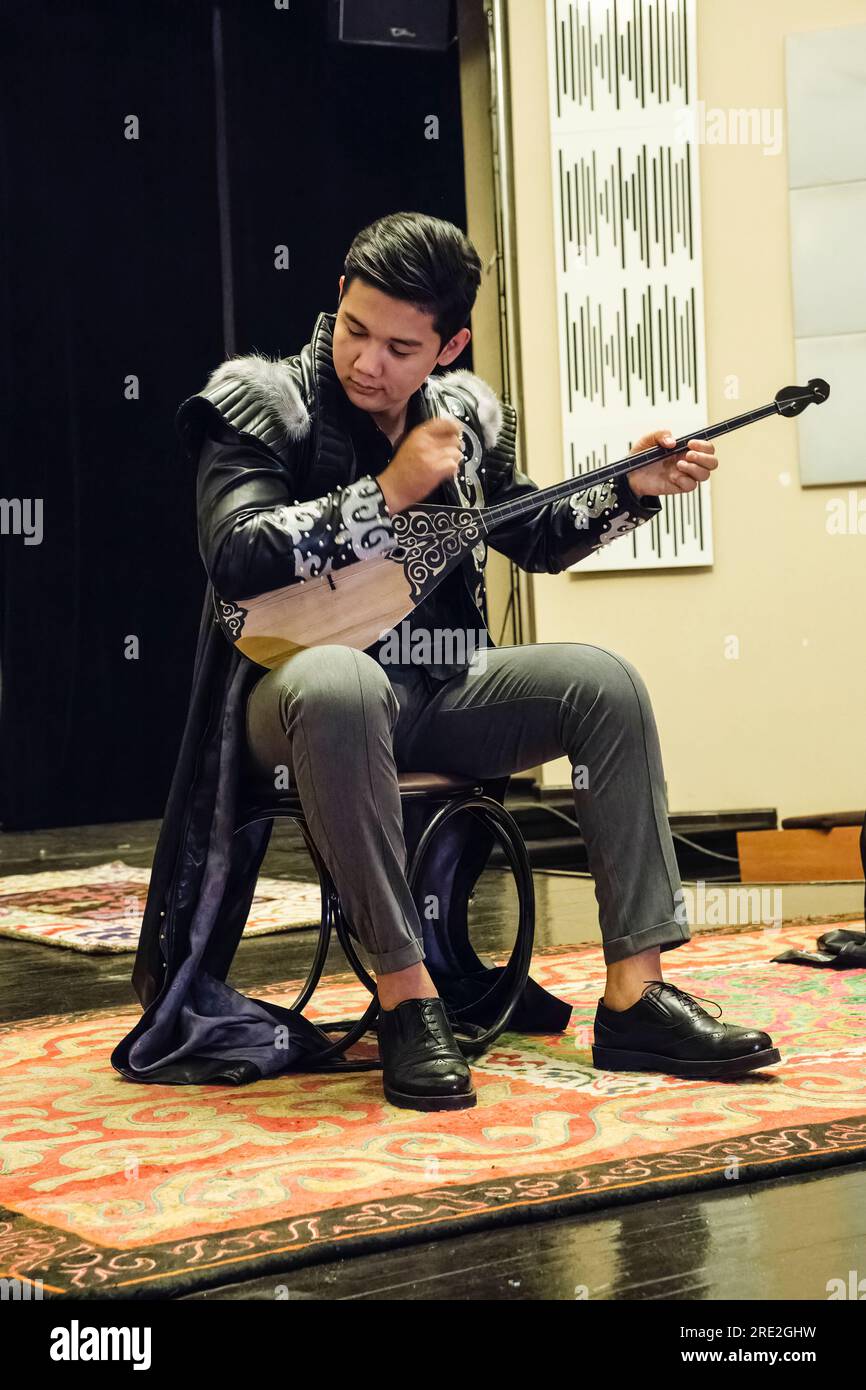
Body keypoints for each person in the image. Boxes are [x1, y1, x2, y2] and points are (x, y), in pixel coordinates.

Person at [112, 210, 780, 1107]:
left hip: (440, 685)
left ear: (449, 344)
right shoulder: (260, 403)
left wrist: (630, 488)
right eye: (355, 329)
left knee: (603, 683)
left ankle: (635, 994)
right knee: (341, 683)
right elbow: (235, 551)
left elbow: (534, 534)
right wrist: (385, 493)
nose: (367, 362)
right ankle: (407, 1000)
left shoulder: (464, 416)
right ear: (338, 303)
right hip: (294, 698)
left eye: (399, 346)